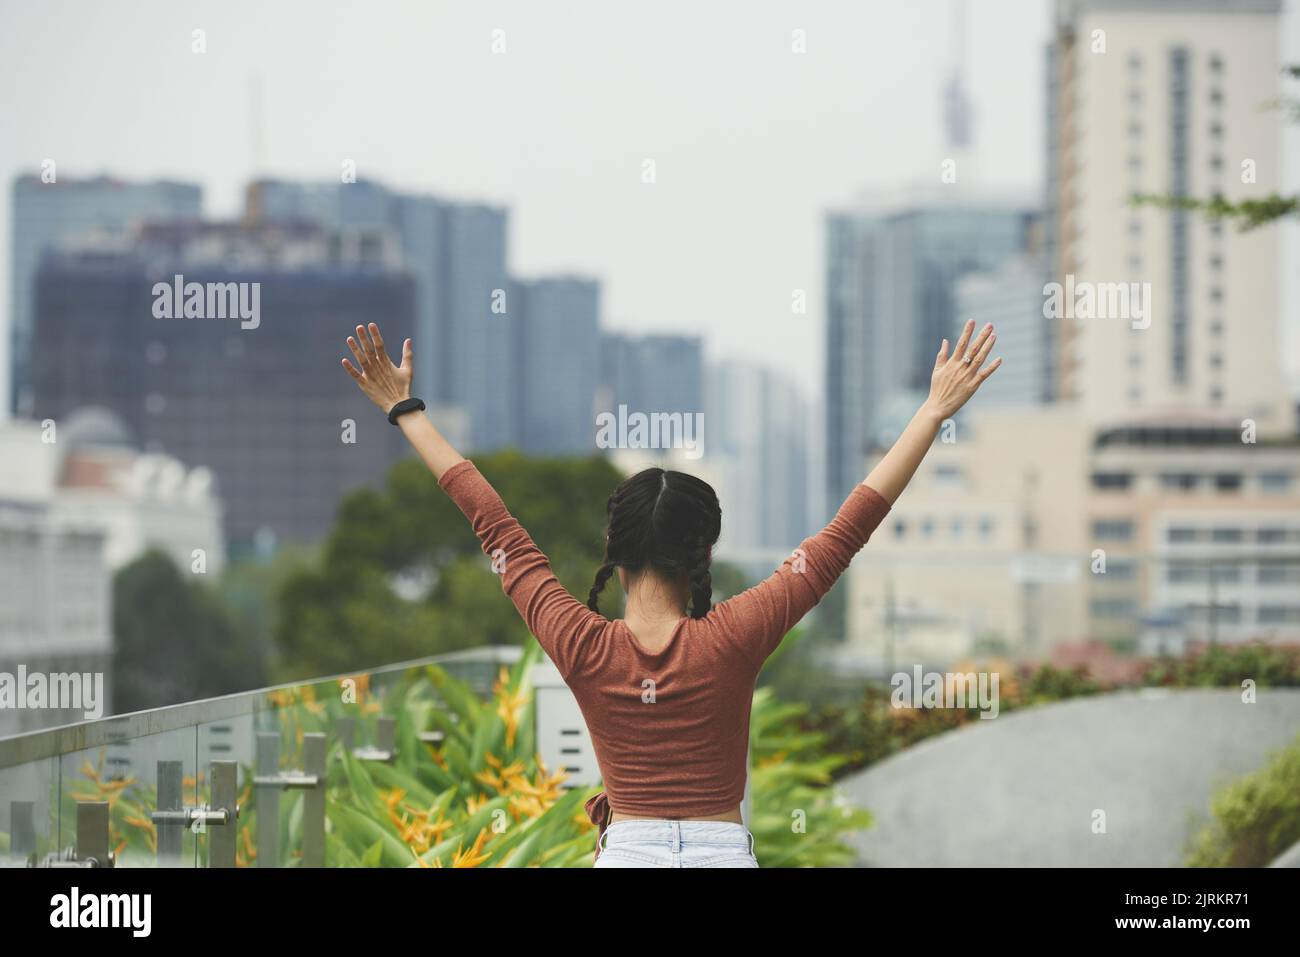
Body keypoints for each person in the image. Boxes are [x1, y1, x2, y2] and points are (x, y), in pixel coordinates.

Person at [341, 319, 1001, 867]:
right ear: (705, 553)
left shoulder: (581, 642)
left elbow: (493, 522)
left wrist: (406, 410)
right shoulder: (735, 636)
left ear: (615, 552)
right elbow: (846, 531)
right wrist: (931, 411)